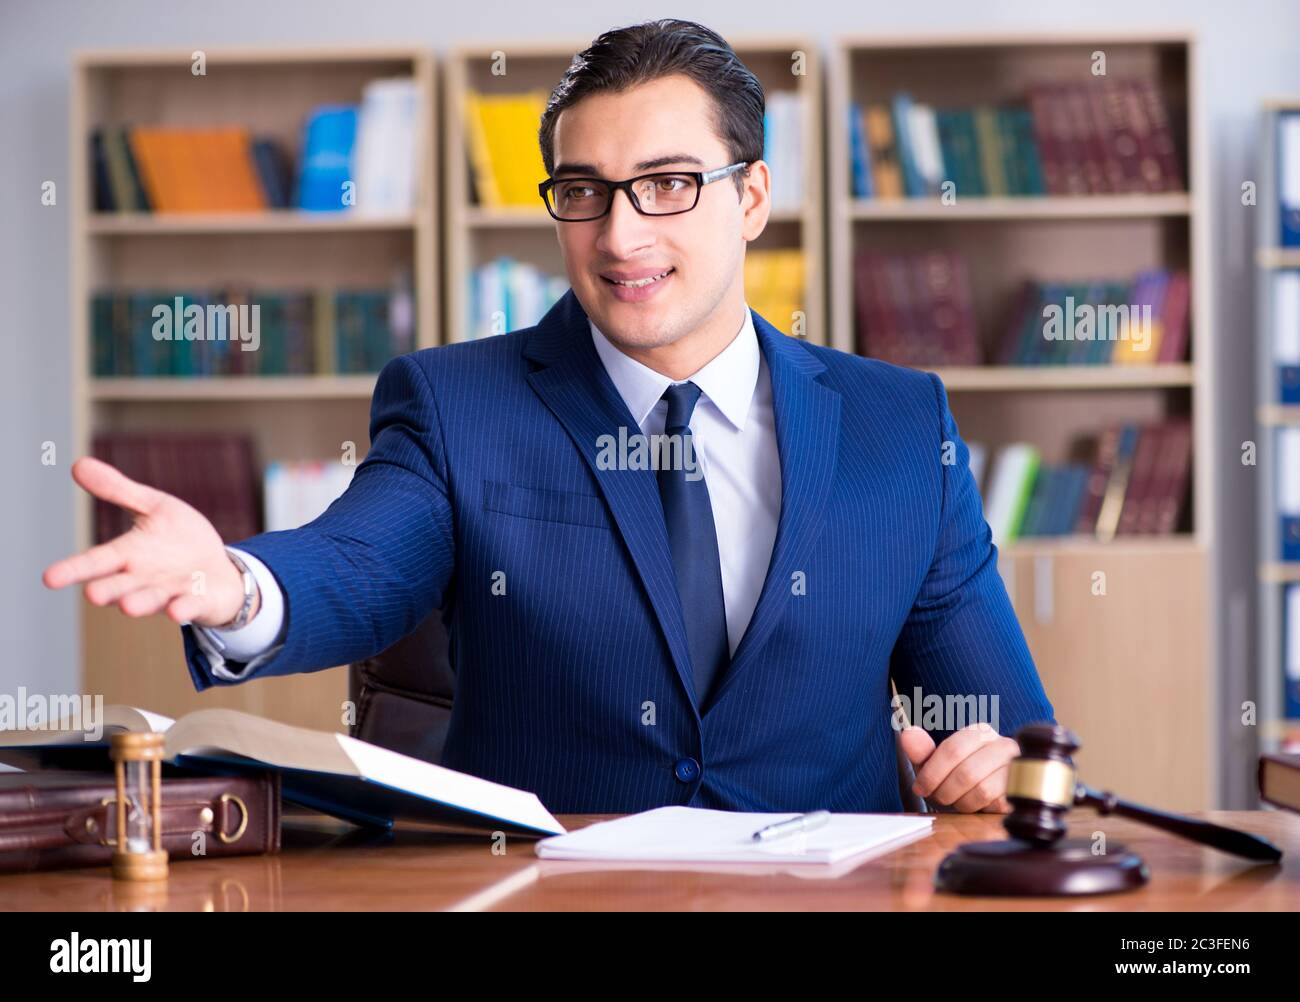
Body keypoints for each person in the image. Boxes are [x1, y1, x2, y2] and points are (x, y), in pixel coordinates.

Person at [44, 19, 1054, 814]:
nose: (619, 235)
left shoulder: (896, 424)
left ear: (751, 197)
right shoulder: (458, 405)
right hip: (544, 894)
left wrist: (989, 760)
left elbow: (1008, 727)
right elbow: (360, 562)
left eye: (665, 184)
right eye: (584, 190)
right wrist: (234, 585)